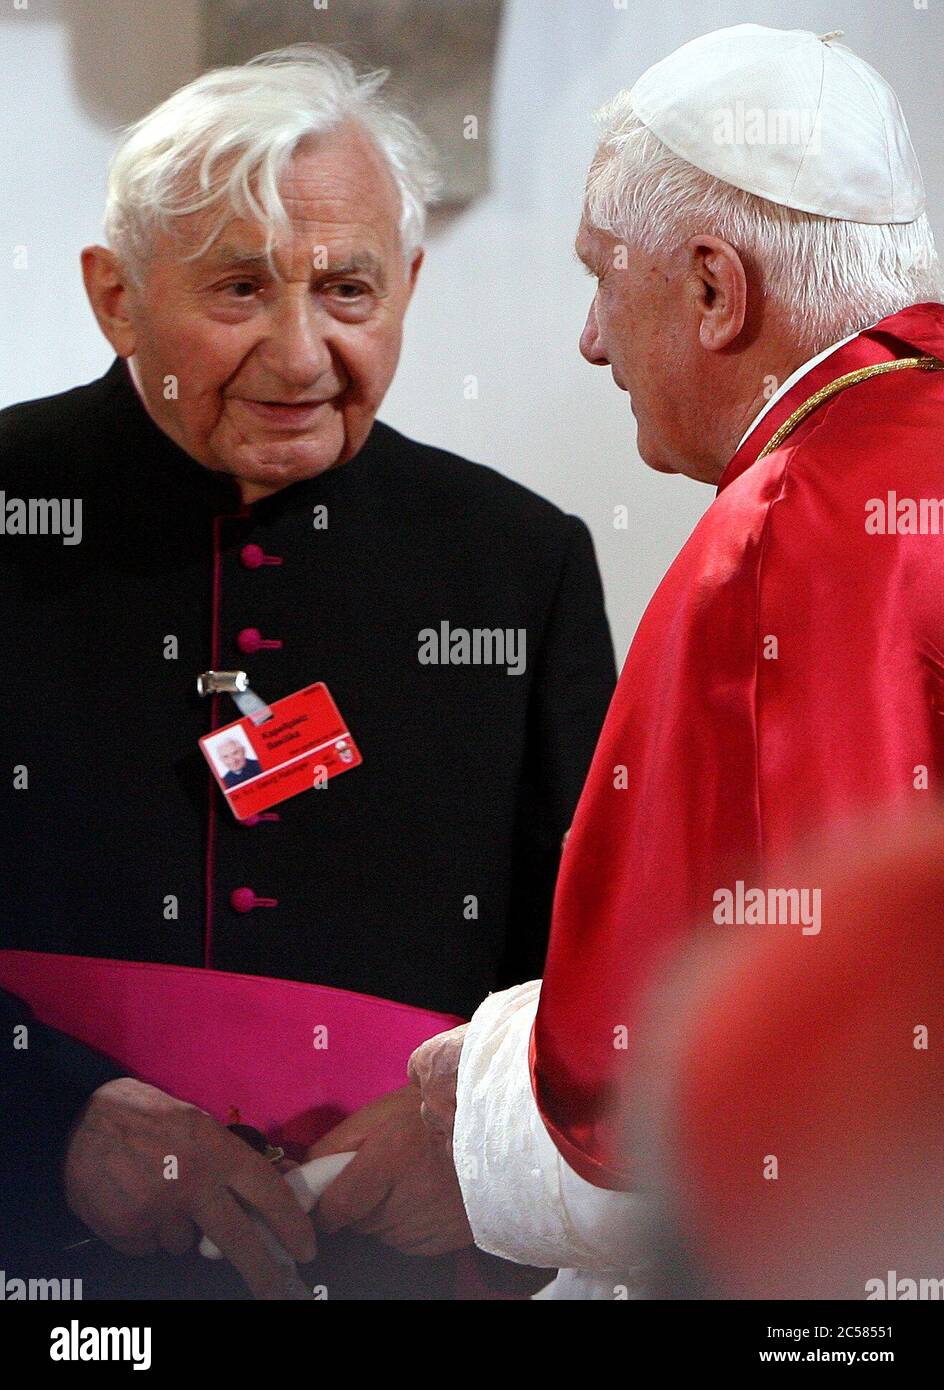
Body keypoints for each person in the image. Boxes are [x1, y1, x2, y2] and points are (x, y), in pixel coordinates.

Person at [321, 25, 944, 1296]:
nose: (591, 343)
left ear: (716, 291)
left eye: (604, 279)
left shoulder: (794, 530)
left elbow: (760, 1127)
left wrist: (478, 1085)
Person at [0, 45, 614, 1294]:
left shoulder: (514, 565)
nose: (297, 358)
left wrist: (475, 1144)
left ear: (409, 284)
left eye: (348, 291)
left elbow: (601, 961)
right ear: (114, 296)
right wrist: (50, 1116)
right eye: (237, 291)